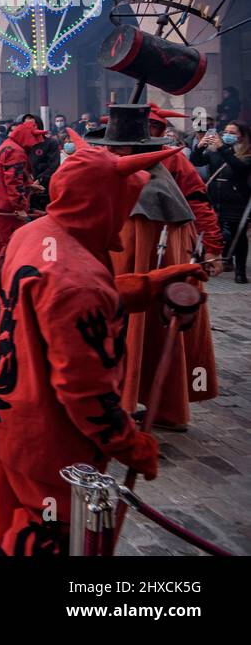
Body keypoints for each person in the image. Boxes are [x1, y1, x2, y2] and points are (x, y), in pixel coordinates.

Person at [0, 129, 203, 554]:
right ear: (104, 203)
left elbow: (66, 306)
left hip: (0, 418)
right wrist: (131, 445)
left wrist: (149, 284)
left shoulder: (36, 234)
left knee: (9, 529)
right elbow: (85, 390)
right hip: (46, 444)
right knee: (46, 541)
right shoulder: (78, 279)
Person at [103, 104, 221, 432]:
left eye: (114, 146)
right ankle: (159, 407)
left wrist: (213, 246)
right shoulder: (126, 168)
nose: (109, 151)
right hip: (152, 259)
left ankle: (132, 406)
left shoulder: (163, 168)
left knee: (142, 326)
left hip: (148, 260)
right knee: (148, 330)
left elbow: (198, 202)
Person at [0, 118, 46, 288]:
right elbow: (12, 182)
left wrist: (28, 186)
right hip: (5, 205)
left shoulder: (8, 145)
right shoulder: (16, 152)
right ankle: (5, 281)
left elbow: (7, 176)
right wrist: (20, 207)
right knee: (11, 242)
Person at [191, 120, 251, 283]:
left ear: (241, 136)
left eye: (233, 133)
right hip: (215, 197)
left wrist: (223, 148)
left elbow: (238, 167)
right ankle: (218, 261)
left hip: (236, 198)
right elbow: (196, 161)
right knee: (214, 231)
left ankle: (240, 270)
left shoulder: (246, 154)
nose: (228, 135)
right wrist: (201, 146)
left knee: (238, 235)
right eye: (226, 132)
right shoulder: (215, 151)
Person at [23, 115, 60, 214]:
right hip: (27, 189)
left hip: (45, 188)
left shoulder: (51, 143)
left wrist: (39, 180)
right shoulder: (22, 145)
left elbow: (53, 166)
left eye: (33, 125)